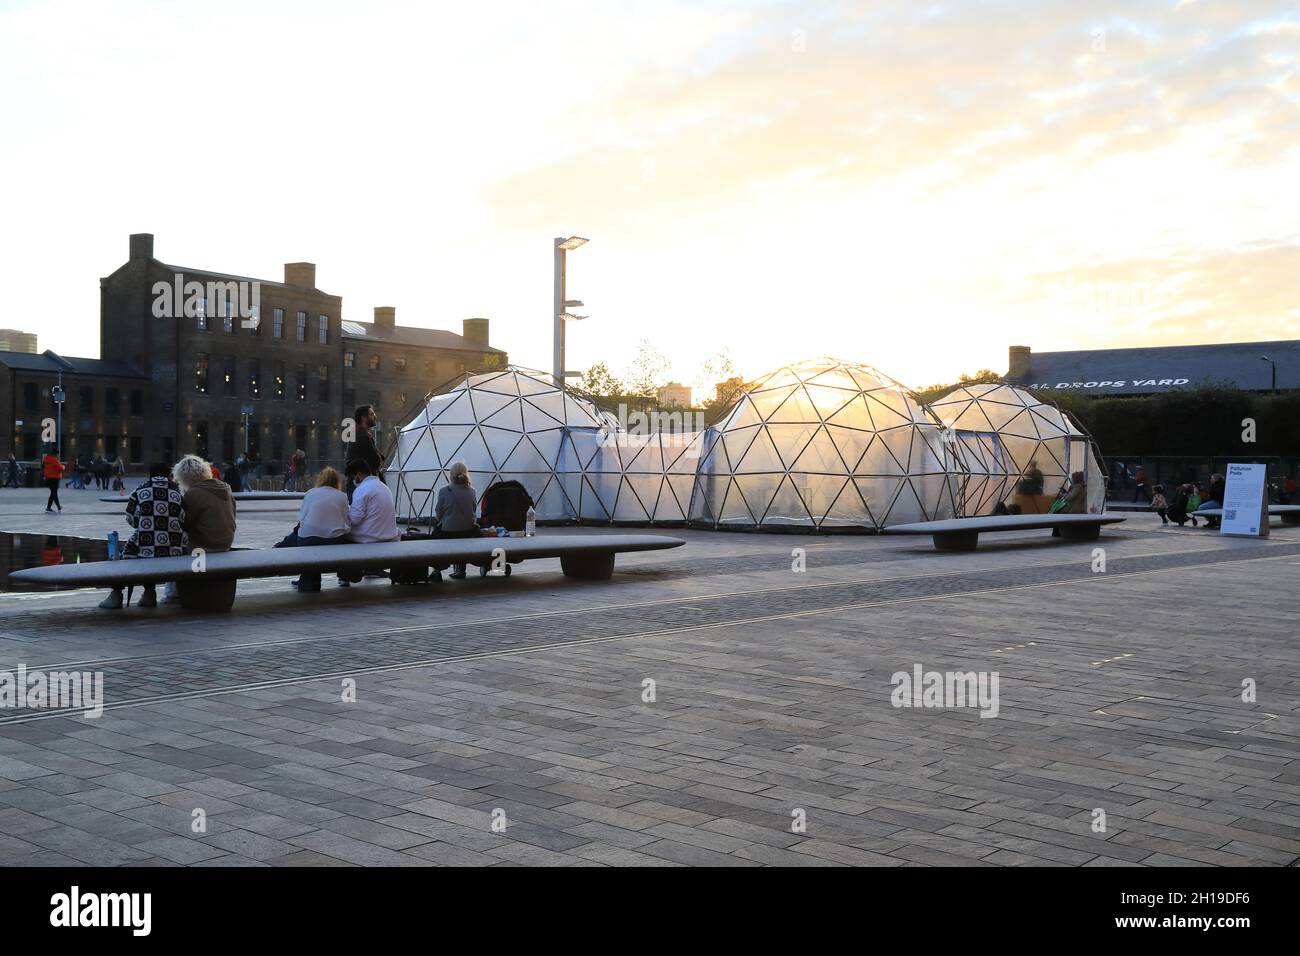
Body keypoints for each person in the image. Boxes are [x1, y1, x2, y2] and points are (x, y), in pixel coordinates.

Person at [98, 463, 189, 609]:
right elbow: (184, 519)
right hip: (173, 547)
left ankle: (117, 595)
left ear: (151, 475)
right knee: (152, 551)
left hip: (146, 543)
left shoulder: (140, 490)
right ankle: (149, 594)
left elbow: (130, 518)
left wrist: (145, 525)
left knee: (127, 555)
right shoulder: (177, 493)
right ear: (169, 475)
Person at [171, 455, 237, 607]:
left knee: (173, 552)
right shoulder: (225, 488)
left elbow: (185, 523)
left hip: (203, 547)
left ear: (184, 477)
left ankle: (175, 594)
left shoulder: (193, 493)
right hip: (226, 542)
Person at [289, 466, 351, 592]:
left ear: (320, 479)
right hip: (332, 540)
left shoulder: (311, 493)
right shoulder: (342, 496)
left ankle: (308, 583)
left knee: (311, 547)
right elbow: (346, 521)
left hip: (306, 539)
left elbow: (301, 517)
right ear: (337, 481)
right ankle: (344, 577)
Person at [340, 458, 399, 586]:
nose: (352, 481)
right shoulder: (384, 487)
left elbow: (354, 520)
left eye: (352, 477)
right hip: (389, 537)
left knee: (339, 537)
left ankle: (346, 577)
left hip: (371, 539)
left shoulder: (362, 489)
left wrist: (345, 512)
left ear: (359, 475)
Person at [436, 461, 479, 579]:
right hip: (468, 531)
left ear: (451, 475)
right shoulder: (472, 491)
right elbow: (473, 511)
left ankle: (436, 570)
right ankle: (461, 570)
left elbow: (438, 514)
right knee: (463, 532)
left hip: (448, 532)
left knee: (435, 534)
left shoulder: (444, 491)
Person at [346, 405, 382, 495]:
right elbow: (375, 461)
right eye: (372, 414)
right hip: (362, 485)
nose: (375, 416)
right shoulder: (361, 436)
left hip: (359, 484)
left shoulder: (360, 434)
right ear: (363, 417)